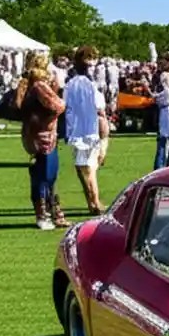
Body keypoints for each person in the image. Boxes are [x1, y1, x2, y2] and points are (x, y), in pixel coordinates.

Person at [17, 53, 66, 230]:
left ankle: (51, 213)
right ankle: (45, 215)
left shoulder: (28, 84)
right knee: (46, 175)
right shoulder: (39, 86)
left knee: (44, 175)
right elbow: (58, 105)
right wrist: (59, 94)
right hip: (44, 135)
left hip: (34, 133)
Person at [63, 46, 109, 215]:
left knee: (82, 168)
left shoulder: (69, 85)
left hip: (75, 129)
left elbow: (65, 105)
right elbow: (100, 108)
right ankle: (95, 203)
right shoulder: (90, 85)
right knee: (89, 168)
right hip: (89, 129)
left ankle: (91, 201)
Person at [151, 53, 169, 170]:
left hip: (167, 110)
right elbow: (167, 94)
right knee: (167, 139)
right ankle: (163, 166)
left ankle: (167, 165)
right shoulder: (166, 76)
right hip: (167, 110)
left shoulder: (163, 75)